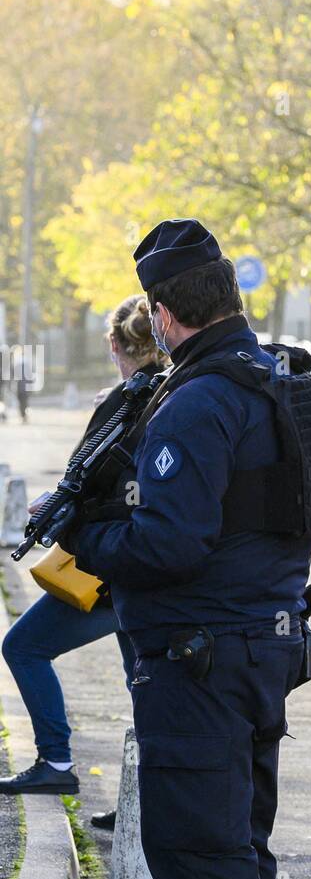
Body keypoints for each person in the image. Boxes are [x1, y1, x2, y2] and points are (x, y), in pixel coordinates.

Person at [68, 219, 311, 879]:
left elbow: (167, 544)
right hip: (259, 646)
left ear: (166, 313)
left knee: (199, 851)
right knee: (238, 847)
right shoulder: (271, 375)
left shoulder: (201, 399)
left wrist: (87, 536)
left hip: (199, 660)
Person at [0, 296, 164, 806]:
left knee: (22, 647)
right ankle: (143, 805)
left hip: (108, 568)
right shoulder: (170, 393)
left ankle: (55, 760)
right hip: (152, 564)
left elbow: (89, 486)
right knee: (142, 683)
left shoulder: (121, 403)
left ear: (114, 344)